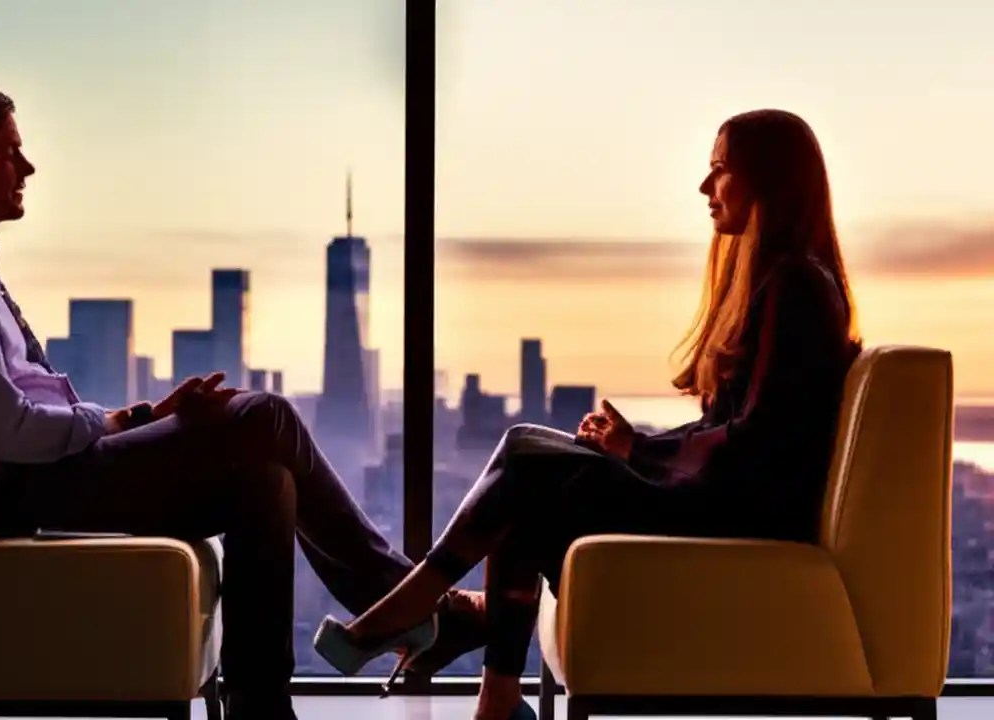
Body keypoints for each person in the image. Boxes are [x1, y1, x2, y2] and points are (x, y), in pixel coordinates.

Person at [0, 85, 416, 720]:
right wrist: (126, 421)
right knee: (265, 418)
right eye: (8, 154)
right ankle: (406, 604)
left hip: (37, 473)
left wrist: (147, 417)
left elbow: (19, 410)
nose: (28, 168)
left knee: (263, 480)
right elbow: (13, 433)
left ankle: (259, 706)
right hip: (14, 490)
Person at [313, 108, 863, 720]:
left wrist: (640, 452)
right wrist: (635, 445)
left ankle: (413, 610)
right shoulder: (780, 283)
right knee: (537, 475)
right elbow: (729, 429)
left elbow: (758, 441)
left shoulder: (797, 288)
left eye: (718, 170)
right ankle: (495, 694)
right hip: (730, 499)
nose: (704, 188)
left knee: (527, 453)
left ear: (768, 178)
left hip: (744, 513)